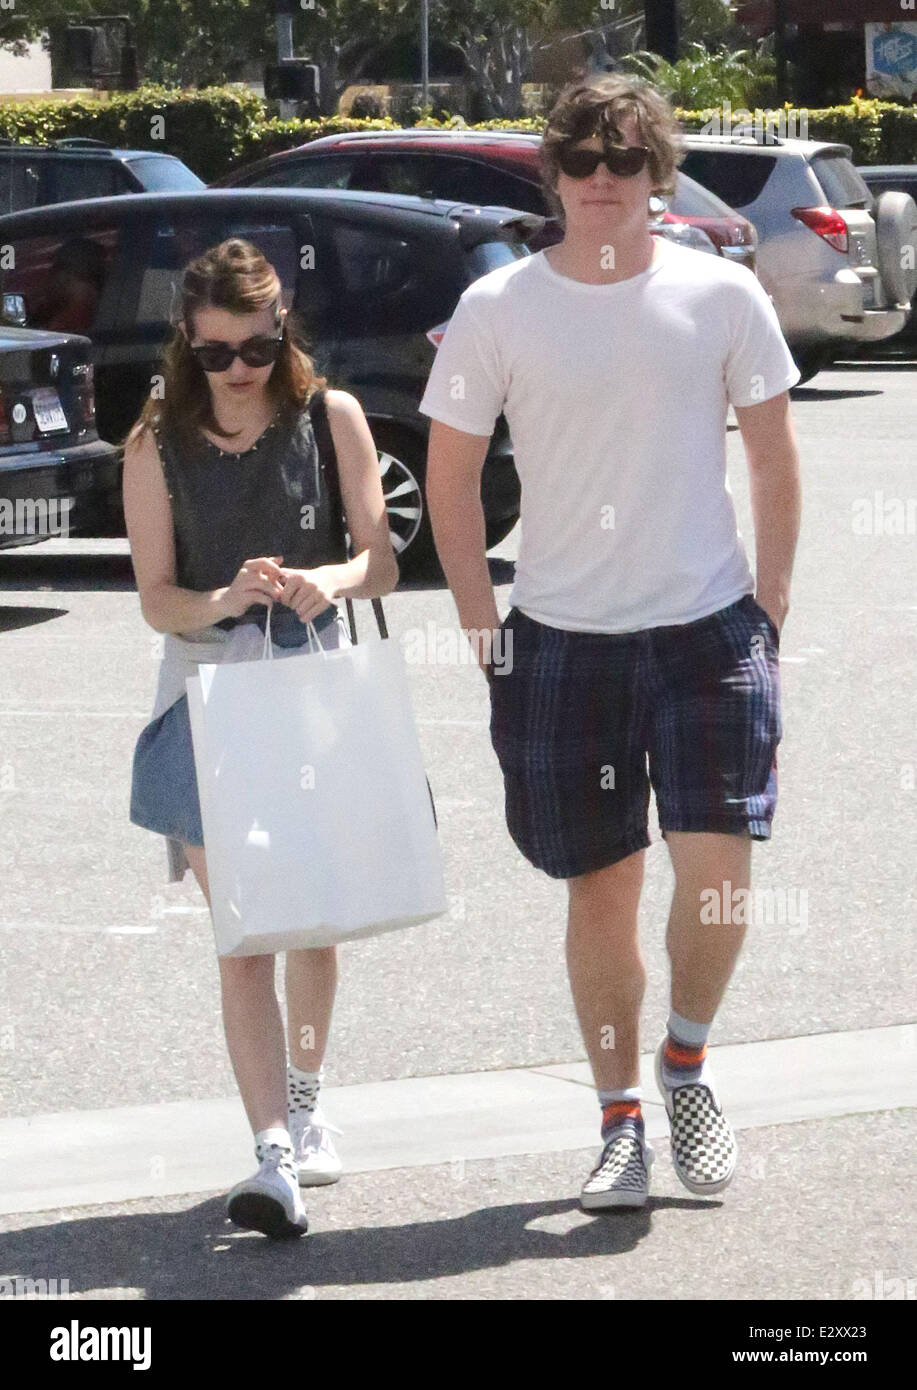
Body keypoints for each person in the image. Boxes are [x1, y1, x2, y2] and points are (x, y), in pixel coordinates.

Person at [420, 75, 802, 1210]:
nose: (600, 178)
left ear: (657, 175)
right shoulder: (497, 307)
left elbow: (774, 454)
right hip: (560, 642)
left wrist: (770, 608)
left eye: (623, 159)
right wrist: (481, 630)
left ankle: (684, 1059)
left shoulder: (720, 293)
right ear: (552, 175)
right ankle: (618, 1120)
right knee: (599, 888)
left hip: (707, 632)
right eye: (580, 159)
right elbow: (449, 478)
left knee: (718, 872)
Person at [124, 238, 398, 1237]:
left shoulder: (331, 417)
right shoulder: (154, 442)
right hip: (207, 698)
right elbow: (157, 600)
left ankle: (307, 1097)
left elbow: (380, 561)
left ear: (281, 330)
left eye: (255, 347)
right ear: (185, 344)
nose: (237, 368)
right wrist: (223, 597)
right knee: (244, 936)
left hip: (312, 690)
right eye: (215, 353)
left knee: (310, 924)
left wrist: (327, 578)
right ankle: (271, 1153)